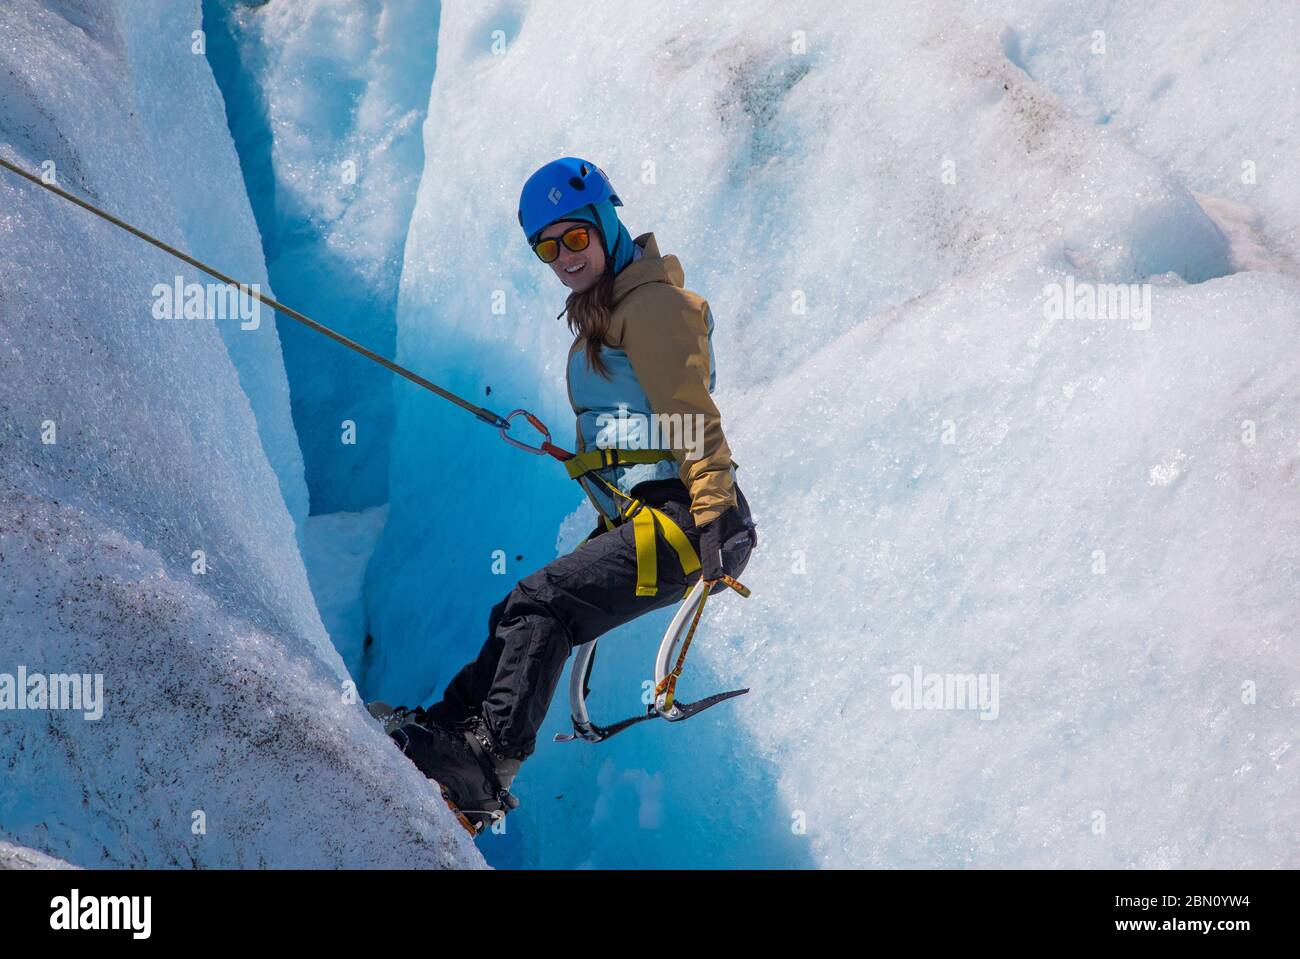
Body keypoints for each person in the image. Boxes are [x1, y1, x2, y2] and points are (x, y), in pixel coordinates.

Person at [388, 157, 757, 832]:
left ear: (605, 224)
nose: (562, 258)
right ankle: (450, 731)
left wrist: (715, 518)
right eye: (546, 247)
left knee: (543, 605)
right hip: (650, 514)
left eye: (575, 238)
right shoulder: (611, 311)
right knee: (519, 604)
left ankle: (487, 760)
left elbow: (689, 412)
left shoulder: (649, 307)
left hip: (686, 520)